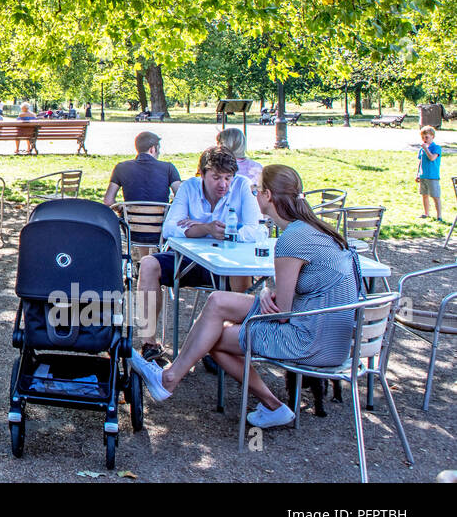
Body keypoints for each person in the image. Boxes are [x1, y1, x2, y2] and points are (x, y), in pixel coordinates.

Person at [131, 164, 363, 429]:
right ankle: (169, 378)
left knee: (215, 337)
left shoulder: (292, 240)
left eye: (257, 190)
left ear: (267, 196)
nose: (254, 194)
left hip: (312, 340)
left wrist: (269, 299)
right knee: (217, 301)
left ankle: (267, 403)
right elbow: (301, 291)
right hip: (331, 333)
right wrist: (267, 293)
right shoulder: (313, 229)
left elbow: (283, 314)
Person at [135, 146, 260, 361]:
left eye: (228, 178)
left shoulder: (242, 187)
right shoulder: (189, 188)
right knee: (148, 264)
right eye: (216, 177)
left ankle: (229, 344)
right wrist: (206, 228)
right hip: (189, 259)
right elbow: (170, 228)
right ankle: (148, 344)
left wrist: (225, 230)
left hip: (228, 262)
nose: (223, 185)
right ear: (201, 173)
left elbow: (257, 229)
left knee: (241, 272)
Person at [102, 131, 182, 253]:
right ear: (152, 149)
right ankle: (157, 260)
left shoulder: (121, 167)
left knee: (138, 223)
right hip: (160, 231)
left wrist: (122, 208)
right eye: (158, 149)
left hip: (133, 231)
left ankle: (143, 262)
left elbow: (108, 201)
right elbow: (181, 197)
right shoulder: (168, 168)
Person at [417, 125, 443, 220]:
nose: (424, 139)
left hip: (433, 176)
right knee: (424, 195)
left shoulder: (436, 147)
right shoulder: (422, 149)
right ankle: (426, 213)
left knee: (435, 196)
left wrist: (426, 149)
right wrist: (418, 174)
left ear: (432, 136)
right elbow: (420, 161)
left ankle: (439, 216)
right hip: (424, 175)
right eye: (423, 138)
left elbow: (432, 158)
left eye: (426, 137)